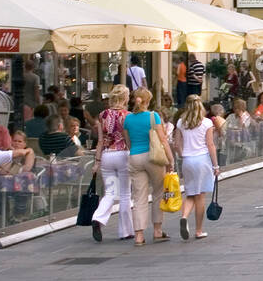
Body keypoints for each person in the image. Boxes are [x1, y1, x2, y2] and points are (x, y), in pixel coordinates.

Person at [124, 86, 175, 247]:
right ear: (148, 101)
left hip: (135, 157)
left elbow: (128, 142)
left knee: (139, 197)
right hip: (153, 158)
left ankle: (139, 235)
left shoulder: (128, 119)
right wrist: (171, 159)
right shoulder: (153, 117)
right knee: (158, 193)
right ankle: (157, 231)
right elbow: (163, 140)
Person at [173, 95, 220, 241]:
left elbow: (176, 144)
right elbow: (210, 145)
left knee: (190, 194)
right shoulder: (206, 123)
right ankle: (199, 230)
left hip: (187, 160)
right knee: (200, 197)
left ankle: (184, 216)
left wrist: (182, 155)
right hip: (202, 160)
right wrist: (216, 165)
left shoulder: (181, 122)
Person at [91, 85, 133, 243]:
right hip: (123, 153)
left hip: (107, 155)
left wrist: (97, 161)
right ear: (125, 98)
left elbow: (100, 141)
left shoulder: (102, 115)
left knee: (110, 192)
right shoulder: (127, 115)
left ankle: (98, 217)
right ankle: (125, 231)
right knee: (124, 194)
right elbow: (127, 138)